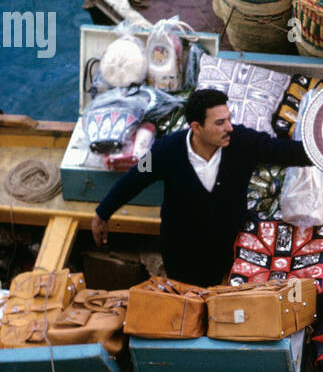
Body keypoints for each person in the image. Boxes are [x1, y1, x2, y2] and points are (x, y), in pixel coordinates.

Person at [91, 89, 311, 287]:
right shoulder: (165, 150)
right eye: (220, 123)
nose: (229, 128)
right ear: (196, 127)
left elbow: (283, 151)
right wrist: (102, 214)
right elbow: (134, 179)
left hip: (228, 247)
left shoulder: (242, 142)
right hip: (181, 250)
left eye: (228, 120)